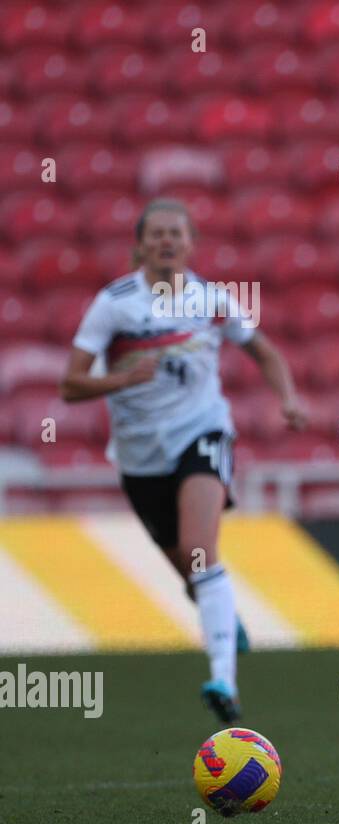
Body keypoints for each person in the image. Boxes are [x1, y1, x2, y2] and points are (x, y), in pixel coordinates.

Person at [60, 198, 307, 722]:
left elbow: (263, 350)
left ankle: (223, 679)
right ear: (141, 245)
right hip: (139, 457)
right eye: (157, 234)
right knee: (193, 572)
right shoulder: (114, 303)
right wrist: (122, 379)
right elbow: (71, 384)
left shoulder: (213, 299)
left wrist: (287, 398)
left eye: (177, 233)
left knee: (201, 550)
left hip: (202, 433)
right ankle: (224, 620)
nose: (167, 242)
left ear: (192, 244)